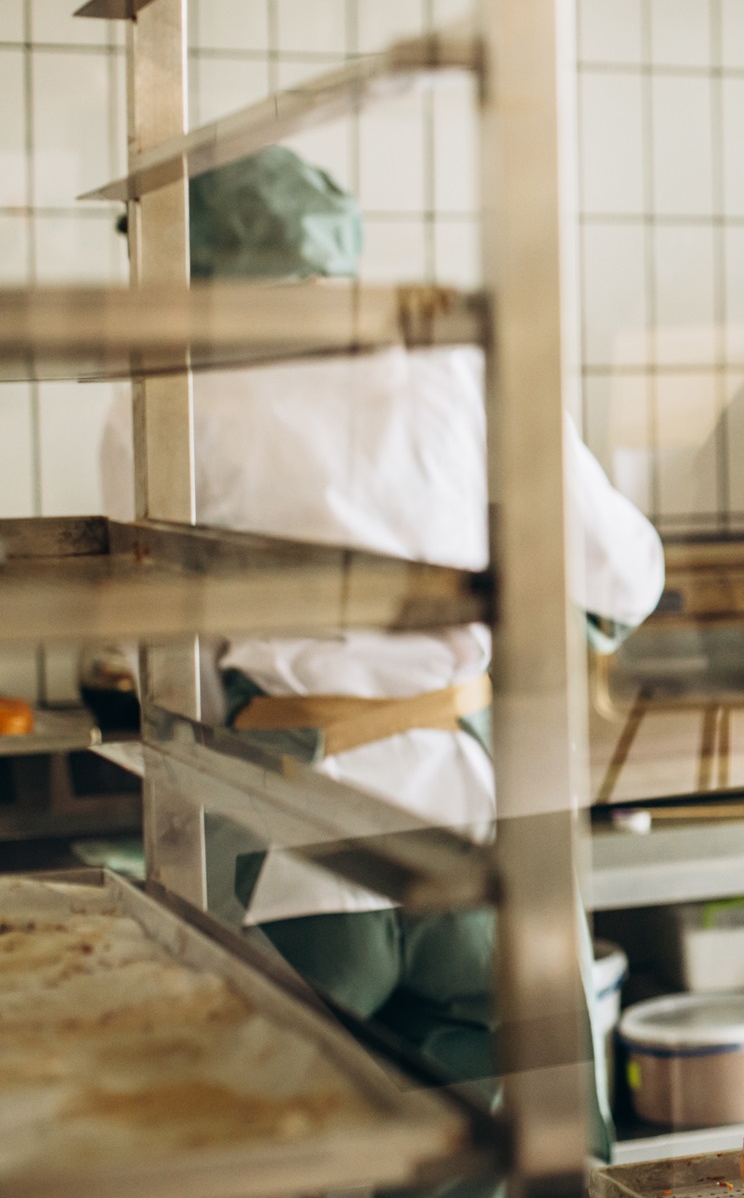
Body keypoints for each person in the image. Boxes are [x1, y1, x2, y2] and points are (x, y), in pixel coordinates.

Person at [103, 146, 664, 1165]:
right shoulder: (456, 362)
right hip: (472, 833)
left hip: (289, 852)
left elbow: (144, 653)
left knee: (295, 1160)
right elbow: (623, 574)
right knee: (511, 1164)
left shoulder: (170, 387)